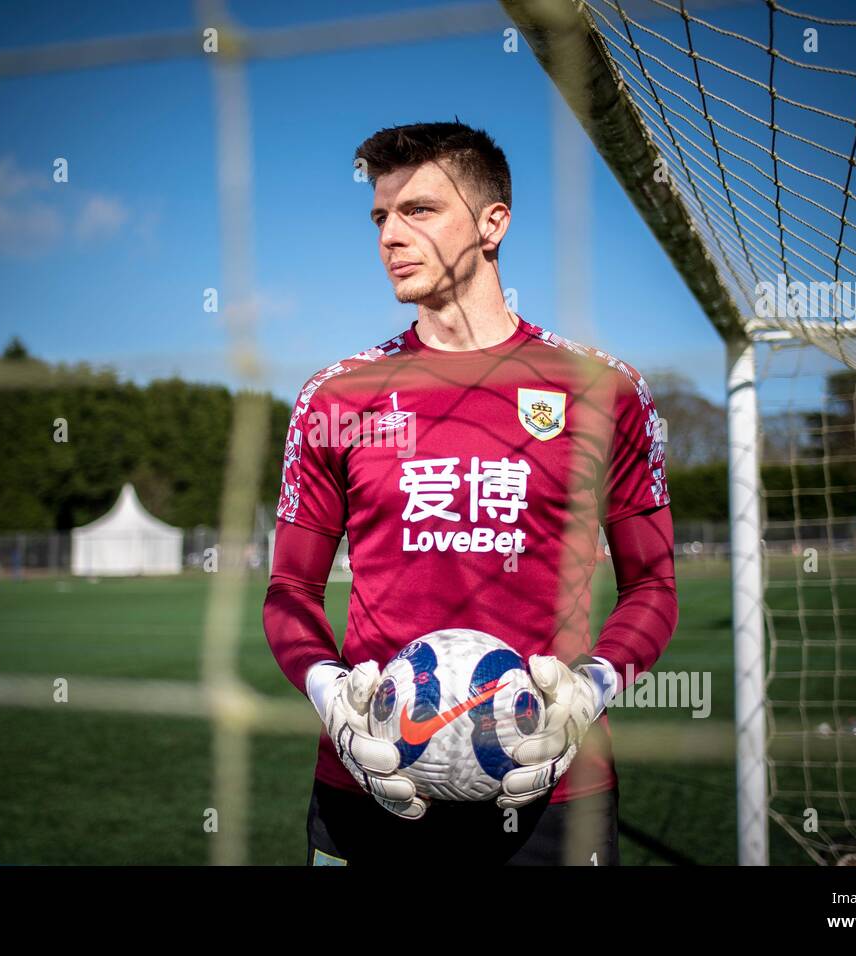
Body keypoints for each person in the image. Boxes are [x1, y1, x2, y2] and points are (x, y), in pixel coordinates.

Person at [263, 121, 678, 865]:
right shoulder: (337, 398)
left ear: (494, 224)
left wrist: (587, 694)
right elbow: (289, 587)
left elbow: (653, 585)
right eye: (380, 216)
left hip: (552, 791)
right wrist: (334, 701)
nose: (390, 234)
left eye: (419, 210)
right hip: (371, 790)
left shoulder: (603, 391)